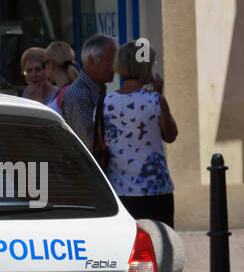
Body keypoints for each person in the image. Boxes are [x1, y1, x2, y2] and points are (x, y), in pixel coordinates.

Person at [102, 41, 177, 224]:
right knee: (160, 246)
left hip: (120, 190)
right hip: (156, 190)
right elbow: (171, 135)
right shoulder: (155, 101)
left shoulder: (106, 102)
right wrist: (160, 93)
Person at [60, 34, 117, 150]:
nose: (115, 66)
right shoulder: (79, 96)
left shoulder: (96, 89)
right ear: (91, 60)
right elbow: (90, 146)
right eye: (111, 61)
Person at [44, 40, 78, 113]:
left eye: (44, 63)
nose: (44, 67)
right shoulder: (67, 90)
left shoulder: (66, 92)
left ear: (51, 63)